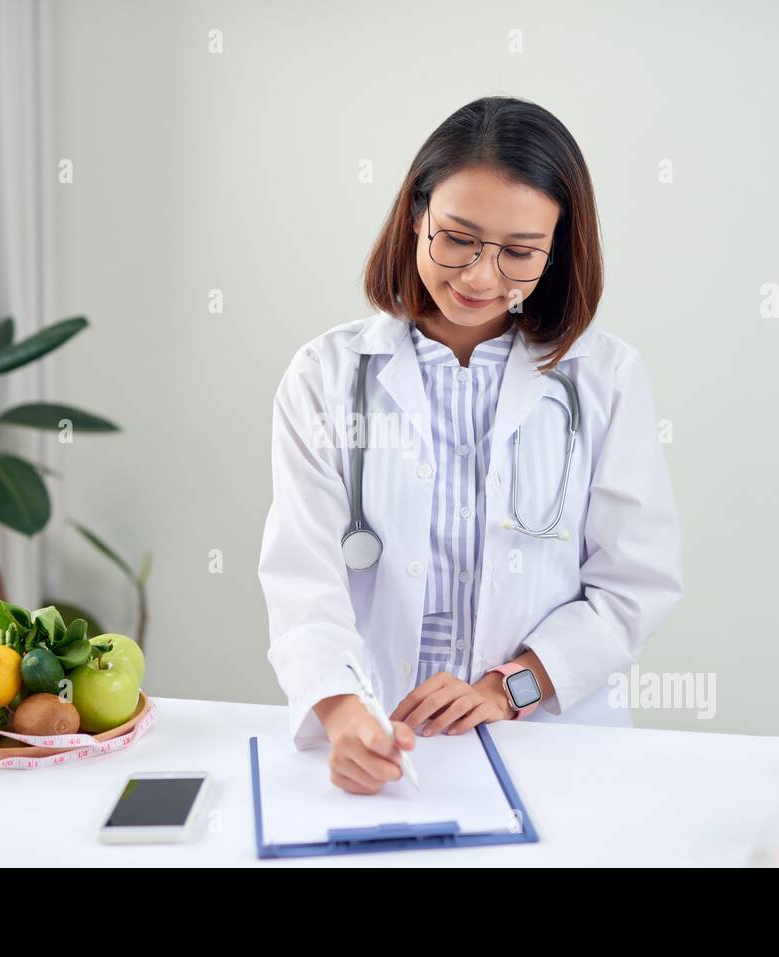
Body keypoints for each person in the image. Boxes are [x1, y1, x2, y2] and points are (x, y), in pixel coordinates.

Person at [258, 96, 683, 795]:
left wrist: (508, 686)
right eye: (457, 238)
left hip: (549, 743)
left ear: (557, 250)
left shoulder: (605, 377)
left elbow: (635, 584)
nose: (481, 278)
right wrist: (340, 714)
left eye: (519, 253)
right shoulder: (325, 376)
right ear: (416, 215)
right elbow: (303, 579)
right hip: (380, 739)